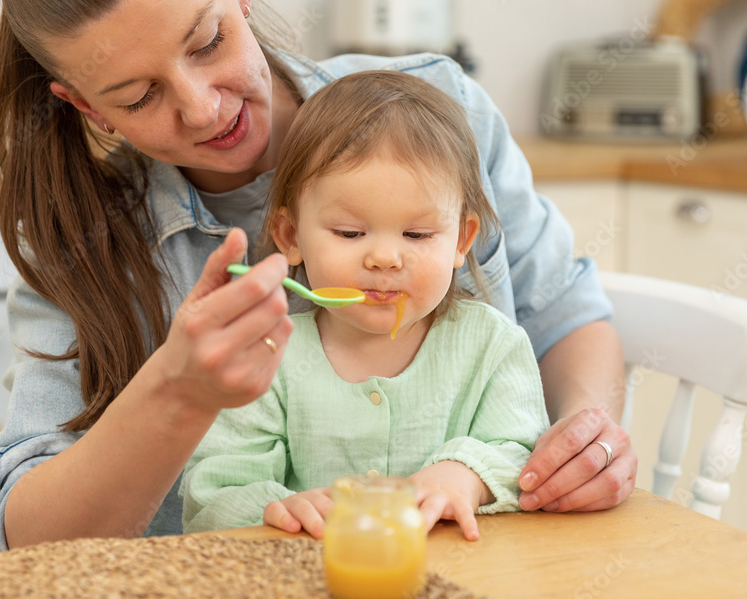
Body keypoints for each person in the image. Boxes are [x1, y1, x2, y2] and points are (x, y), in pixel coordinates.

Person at [0, 0, 635, 554]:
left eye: (207, 42)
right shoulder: (77, 235)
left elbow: (565, 314)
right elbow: (31, 540)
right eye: (141, 96)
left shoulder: (438, 108)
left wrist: (585, 436)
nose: (204, 108)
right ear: (86, 106)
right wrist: (176, 392)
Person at [181, 70, 552, 541]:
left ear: (462, 240)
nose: (384, 258)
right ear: (291, 237)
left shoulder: (494, 347)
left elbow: (523, 451)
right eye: (350, 234)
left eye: (417, 235)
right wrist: (276, 507)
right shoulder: (266, 359)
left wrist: (467, 473)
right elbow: (214, 493)